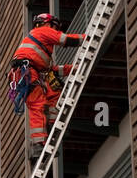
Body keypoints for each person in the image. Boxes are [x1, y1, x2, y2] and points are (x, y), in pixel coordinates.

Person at [10, 14, 84, 161]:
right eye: (54, 26)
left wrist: (73, 69)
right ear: (46, 23)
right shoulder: (42, 31)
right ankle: (38, 144)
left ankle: (51, 124)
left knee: (53, 92)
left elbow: (53, 71)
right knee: (38, 105)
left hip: (32, 72)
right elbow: (65, 39)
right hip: (26, 72)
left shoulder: (41, 50)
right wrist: (87, 39)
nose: (55, 30)